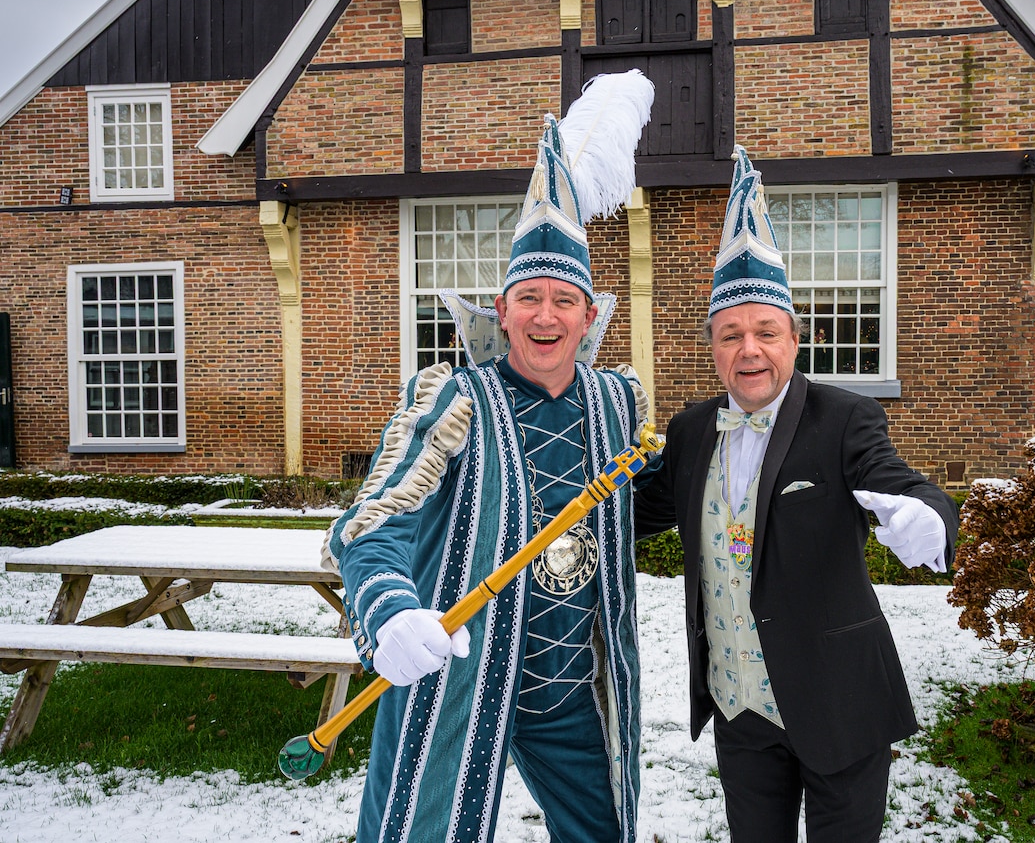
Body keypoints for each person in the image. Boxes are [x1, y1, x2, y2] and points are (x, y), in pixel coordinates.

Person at [323, 72, 654, 843]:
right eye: (528, 298)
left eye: (563, 300)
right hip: (458, 684)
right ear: (500, 310)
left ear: (590, 314)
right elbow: (374, 522)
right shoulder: (452, 398)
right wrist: (390, 609)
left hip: (571, 694)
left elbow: (663, 499)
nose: (546, 315)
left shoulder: (618, 404)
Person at [634, 146, 959, 843]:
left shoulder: (844, 419)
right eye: (731, 335)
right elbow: (638, 511)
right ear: (712, 346)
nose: (749, 350)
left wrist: (926, 519)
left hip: (839, 701)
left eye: (765, 332)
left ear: (795, 337)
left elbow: (905, 486)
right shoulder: (692, 429)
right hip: (740, 707)